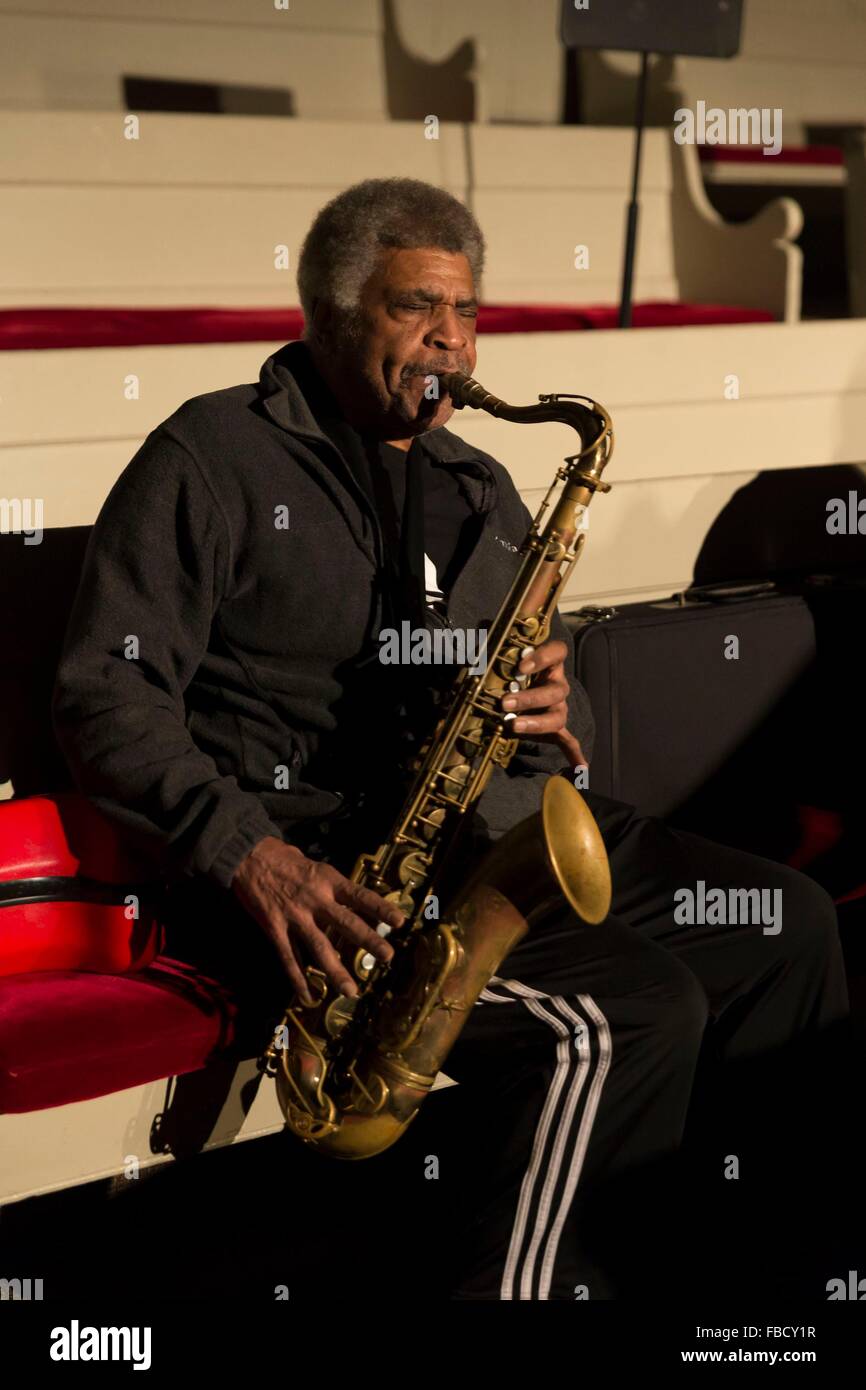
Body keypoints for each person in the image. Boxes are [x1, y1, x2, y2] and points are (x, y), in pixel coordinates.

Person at [52, 177, 849, 1301]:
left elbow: (522, 677)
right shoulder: (210, 458)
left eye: (466, 314)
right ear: (330, 314)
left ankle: (749, 1277)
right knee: (620, 1016)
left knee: (788, 926)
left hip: (494, 836)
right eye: (417, 308)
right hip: (329, 884)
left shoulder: (477, 481)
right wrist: (252, 855)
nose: (451, 341)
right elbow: (106, 697)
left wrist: (549, 713)